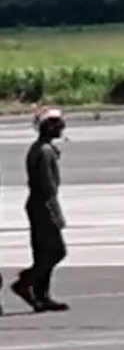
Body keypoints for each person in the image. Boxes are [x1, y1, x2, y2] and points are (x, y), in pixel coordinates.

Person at [11, 107, 67, 313]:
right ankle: (25, 282)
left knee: (43, 252)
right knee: (56, 251)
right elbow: (48, 187)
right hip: (43, 204)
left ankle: (42, 295)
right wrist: (56, 213)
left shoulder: (43, 149)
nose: (60, 127)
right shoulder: (43, 151)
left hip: (38, 204)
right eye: (55, 123)